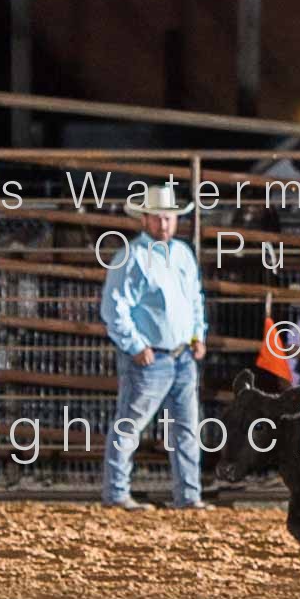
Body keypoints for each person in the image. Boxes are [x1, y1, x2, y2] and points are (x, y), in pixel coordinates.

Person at [100, 184, 212, 511]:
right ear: (145, 220)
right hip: (152, 357)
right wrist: (135, 344)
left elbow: (194, 298)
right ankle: (118, 493)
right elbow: (114, 307)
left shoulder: (182, 253)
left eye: (168, 218)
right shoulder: (132, 255)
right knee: (133, 424)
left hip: (180, 354)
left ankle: (188, 495)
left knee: (184, 429)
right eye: (157, 218)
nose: (163, 224)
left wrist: (197, 334)